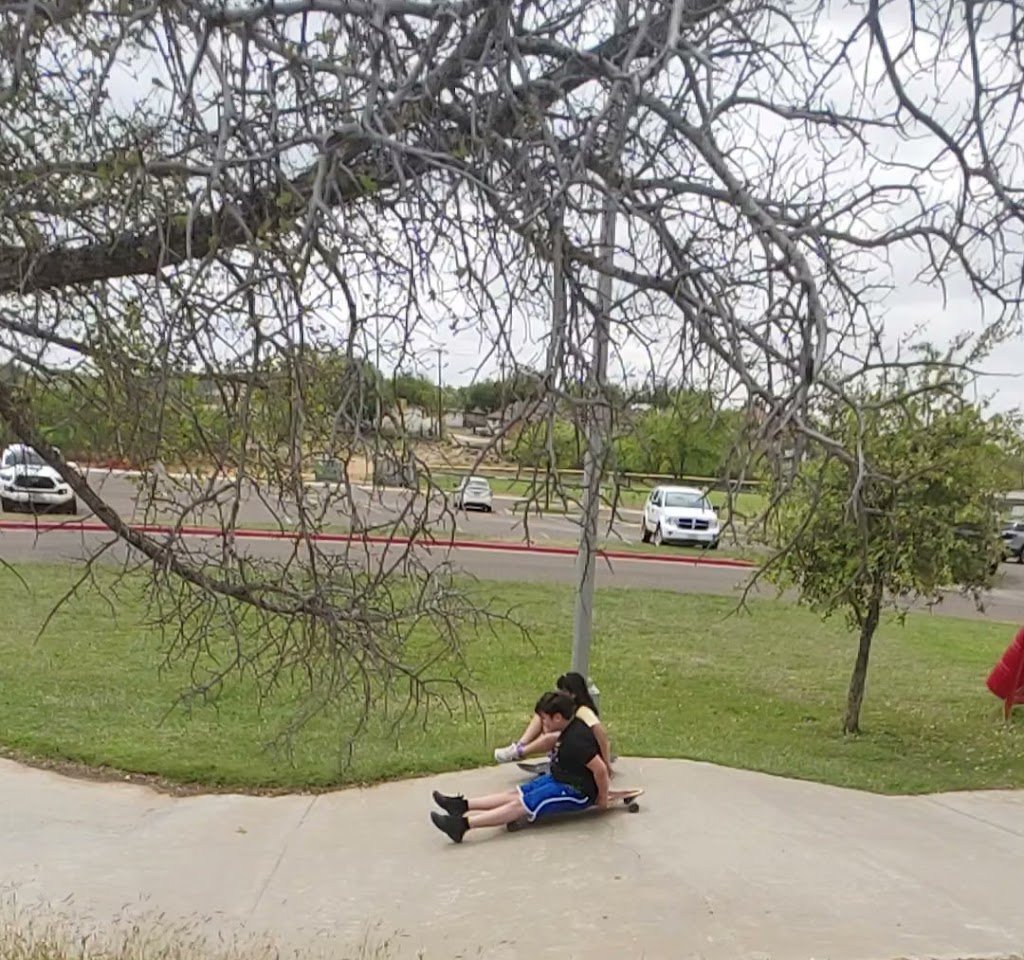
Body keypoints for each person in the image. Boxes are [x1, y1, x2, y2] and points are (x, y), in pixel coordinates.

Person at [431, 690, 609, 842]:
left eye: (545, 719)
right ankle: (461, 806)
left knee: (519, 804)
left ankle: (463, 826)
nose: (543, 723)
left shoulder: (576, 741)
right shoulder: (569, 727)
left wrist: (602, 798)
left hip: (576, 791)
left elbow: (600, 769)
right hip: (561, 777)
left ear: (558, 717)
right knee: (515, 793)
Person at [493, 671, 613, 773]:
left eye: (561, 691)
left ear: (573, 694)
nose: (557, 694)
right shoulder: (564, 707)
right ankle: (519, 745)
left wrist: (606, 763)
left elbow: (601, 733)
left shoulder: (583, 711)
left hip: (586, 752)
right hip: (571, 747)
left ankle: (520, 752)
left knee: (554, 737)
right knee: (544, 713)